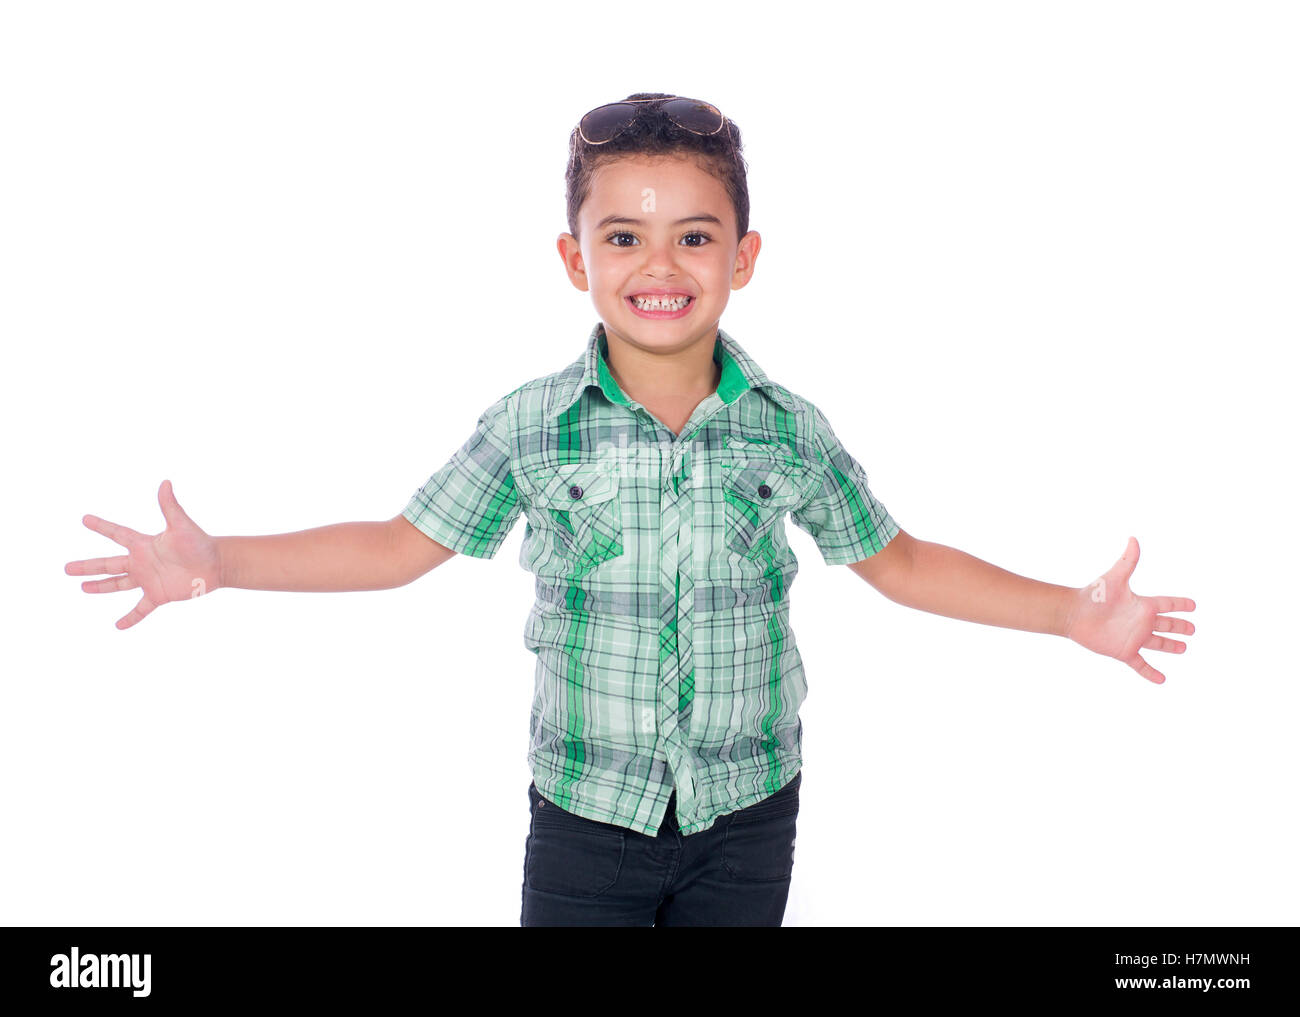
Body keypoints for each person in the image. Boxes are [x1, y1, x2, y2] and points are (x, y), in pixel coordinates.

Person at [65, 92, 1197, 927]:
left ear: (741, 257)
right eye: (624, 236)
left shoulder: (786, 427)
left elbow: (895, 562)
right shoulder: (531, 424)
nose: (660, 262)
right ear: (576, 259)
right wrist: (216, 557)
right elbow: (398, 545)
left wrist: (1066, 613)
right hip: (584, 815)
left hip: (748, 814)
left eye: (693, 235)